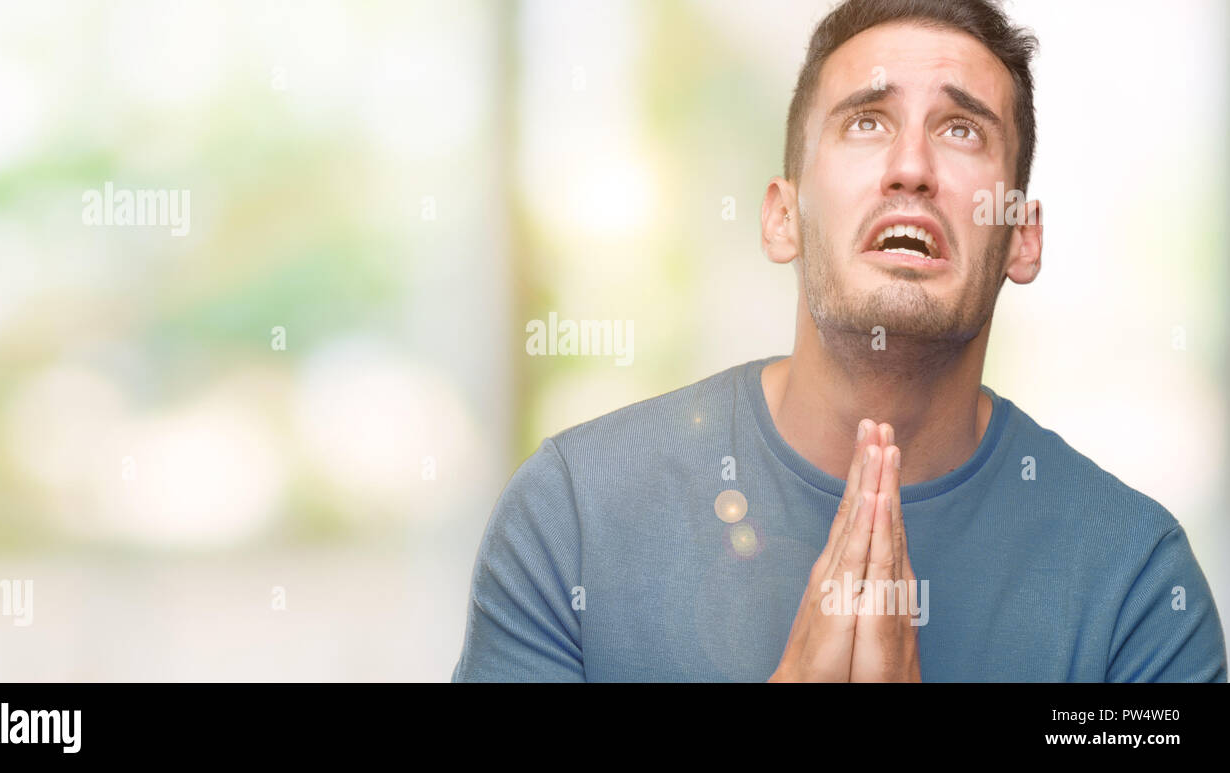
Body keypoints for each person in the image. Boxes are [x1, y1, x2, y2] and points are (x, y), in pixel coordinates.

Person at [451, 0, 1227, 682]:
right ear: (782, 217)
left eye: (961, 129)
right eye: (866, 121)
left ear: (1021, 237)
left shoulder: (1140, 590)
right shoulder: (571, 517)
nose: (911, 167)